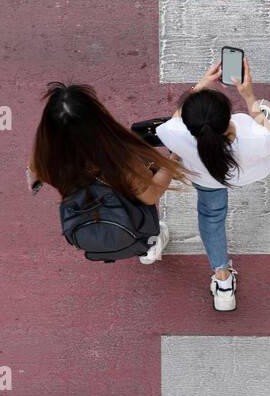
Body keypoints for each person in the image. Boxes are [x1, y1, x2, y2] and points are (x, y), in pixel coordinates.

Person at [156, 58, 270, 311]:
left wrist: (200, 85)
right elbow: (269, 138)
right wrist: (249, 97)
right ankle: (223, 284)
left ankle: (223, 283)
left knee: (211, 219)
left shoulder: (176, 132)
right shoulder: (252, 136)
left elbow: (175, 120)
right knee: (264, 114)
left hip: (204, 180)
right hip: (243, 174)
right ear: (228, 117)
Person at [29, 82, 180, 263]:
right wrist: (174, 158)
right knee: (145, 229)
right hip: (129, 217)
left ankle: (140, 249)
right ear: (98, 120)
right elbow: (150, 196)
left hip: (84, 219)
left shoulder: (43, 157)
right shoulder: (121, 159)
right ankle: (148, 248)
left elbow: (33, 181)